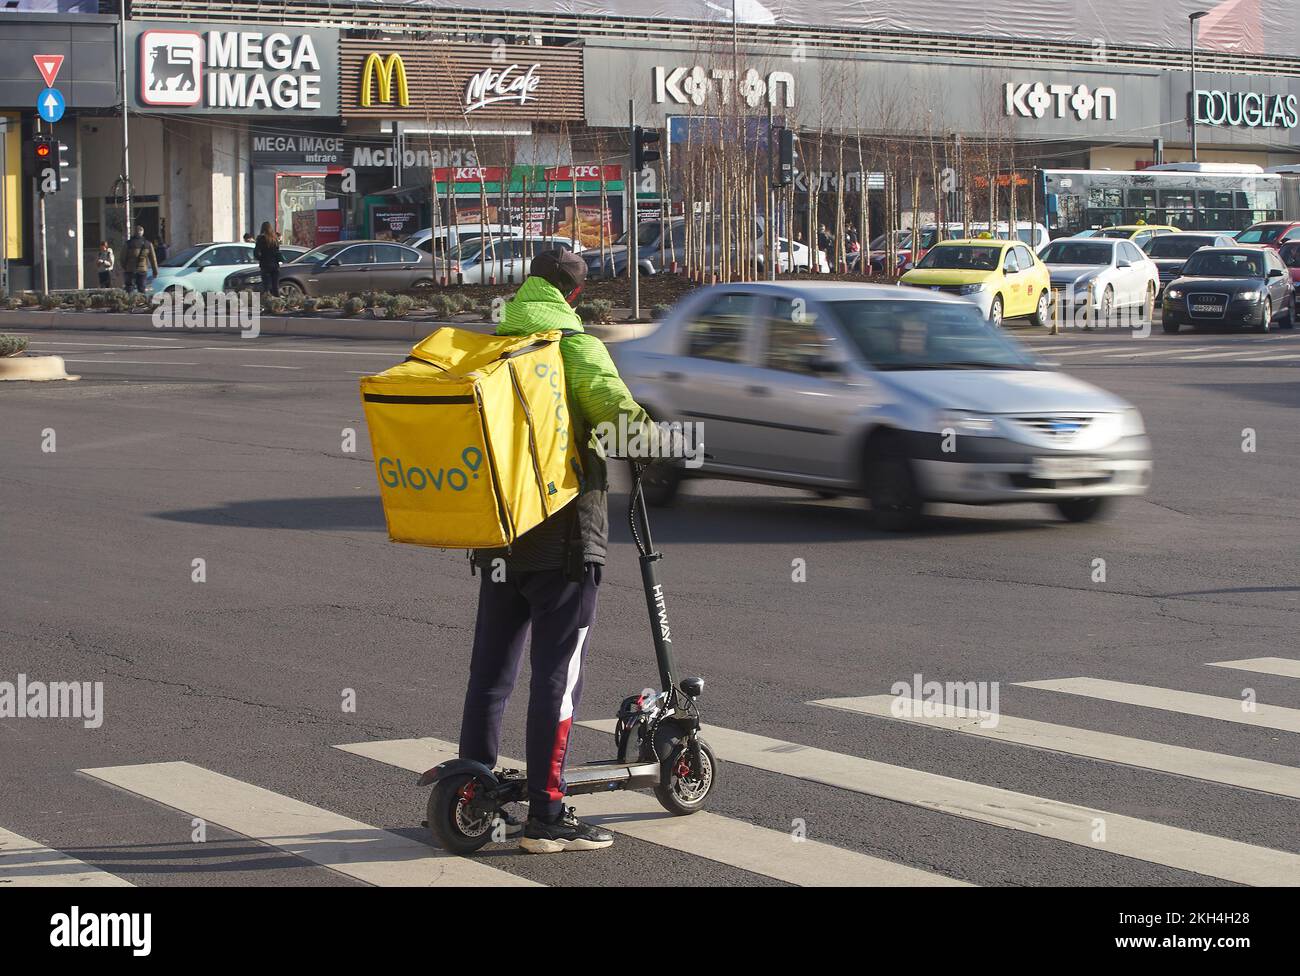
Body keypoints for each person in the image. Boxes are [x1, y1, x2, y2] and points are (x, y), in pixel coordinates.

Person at [459, 248, 658, 854]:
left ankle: (474, 797)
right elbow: (616, 415)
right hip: (567, 542)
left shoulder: (495, 347)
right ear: (574, 297)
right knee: (556, 677)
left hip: (498, 538)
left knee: (490, 675)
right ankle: (547, 814)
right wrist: (652, 439)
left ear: (528, 289)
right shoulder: (576, 349)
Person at [122, 226, 158, 294]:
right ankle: (141, 303)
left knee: (129, 289)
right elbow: (153, 259)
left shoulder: (128, 244)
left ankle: (130, 303)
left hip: (130, 270)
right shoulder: (148, 244)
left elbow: (122, 258)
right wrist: (155, 271)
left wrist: (125, 267)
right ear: (142, 233)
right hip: (142, 270)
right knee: (142, 289)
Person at [253, 221, 282, 297]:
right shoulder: (274, 238)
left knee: (266, 287)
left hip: (265, 265)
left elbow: (256, 252)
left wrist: (261, 258)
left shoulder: (261, 238)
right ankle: (277, 304)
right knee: (275, 286)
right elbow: (277, 251)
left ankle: (268, 303)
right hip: (275, 265)